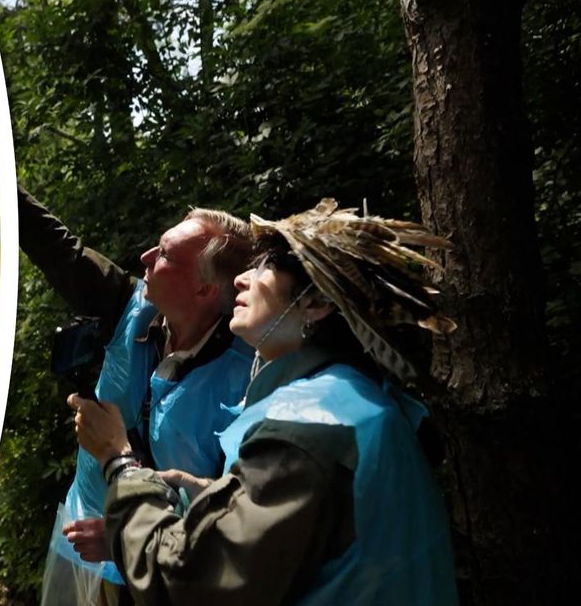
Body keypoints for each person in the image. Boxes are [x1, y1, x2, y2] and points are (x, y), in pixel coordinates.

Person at [70, 199, 459, 605]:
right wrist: (206, 494)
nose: (241, 279)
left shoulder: (310, 425)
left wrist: (120, 463)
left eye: (265, 266)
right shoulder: (353, 399)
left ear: (316, 304)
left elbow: (189, 582)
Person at [17, 186, 254, 605]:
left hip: (163, 576)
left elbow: (238, 518)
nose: (145, 257)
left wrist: (119, 537)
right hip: (78, 543)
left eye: (165, 255)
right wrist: (0, 180)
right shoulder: (128, 305)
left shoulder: (247, 378)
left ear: (204, 290)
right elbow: (56, 247)